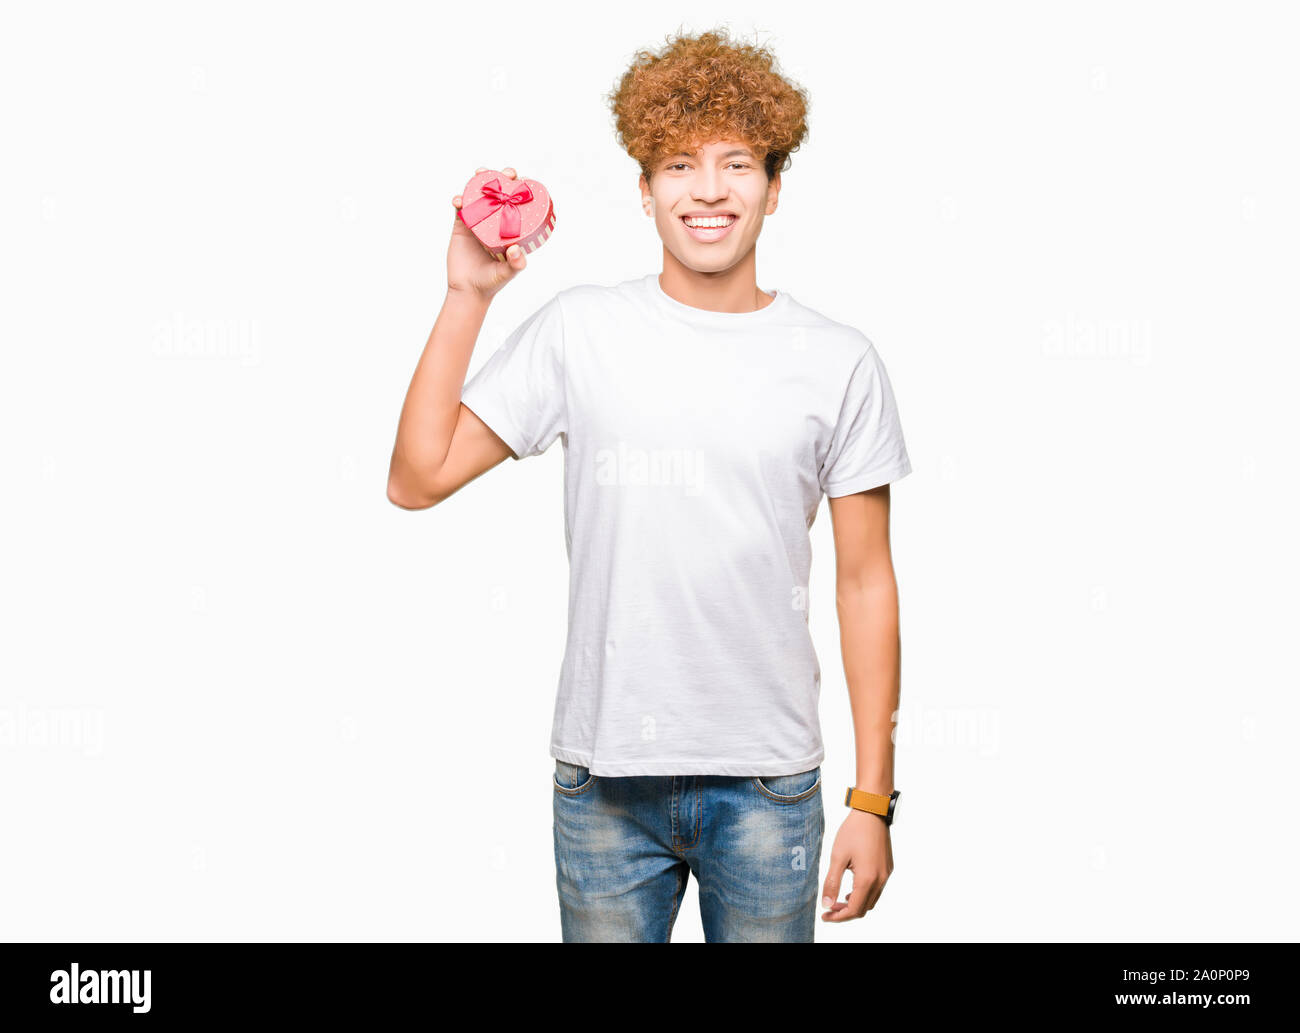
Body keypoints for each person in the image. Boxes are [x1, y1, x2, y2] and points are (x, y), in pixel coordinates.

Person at [388, 28, 912, 942]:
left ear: (775, 187)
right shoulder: (578, 331)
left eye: (737, 163)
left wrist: (873, 798)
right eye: (678, 164)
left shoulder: (839, 362)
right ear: (644, 189)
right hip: (603, 786)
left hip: (768, 786)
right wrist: (469, 296)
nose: (707, 189)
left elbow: (866, 582)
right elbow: (415, 477)